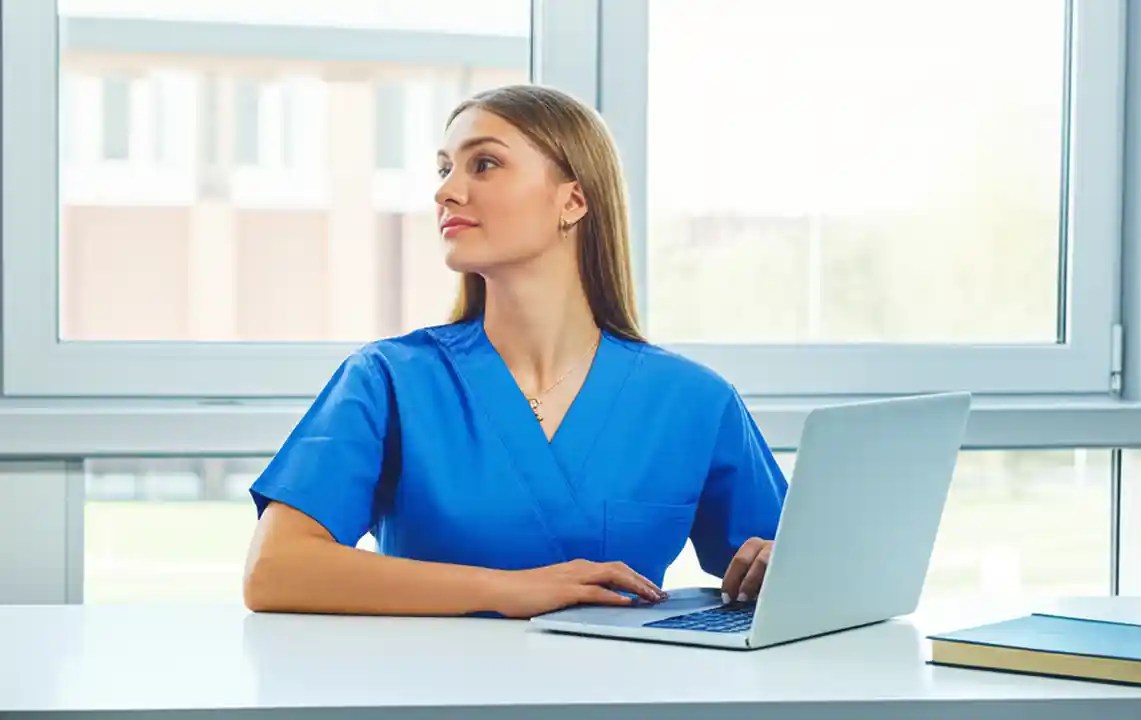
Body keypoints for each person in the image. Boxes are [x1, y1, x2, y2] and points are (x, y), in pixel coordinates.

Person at [243, 84, 787, 619]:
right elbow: (275, 568)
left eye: (483, 165)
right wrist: (508, 590)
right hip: (430, 699)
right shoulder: (388, 381)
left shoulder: (694, 401)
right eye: (443, 170)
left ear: (572, 200)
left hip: (618, 701)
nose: (446, 192)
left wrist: (775, 567)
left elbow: (801, 566)